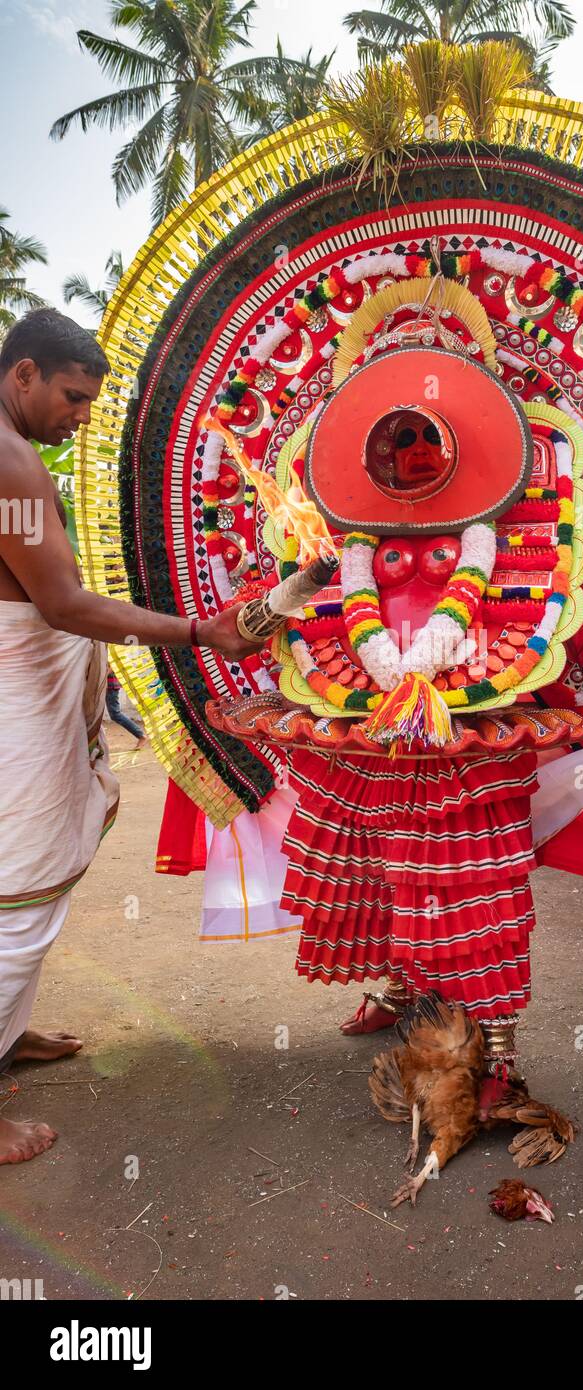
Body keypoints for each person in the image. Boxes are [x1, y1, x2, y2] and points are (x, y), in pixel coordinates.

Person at [0, 308, 259, 1165]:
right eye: (72, 397)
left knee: (24, 889)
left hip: (23, 696)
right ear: (24, 374)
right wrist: (200, 631)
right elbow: (63, 605)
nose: (80, 415)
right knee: (19, 895)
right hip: (15, 707)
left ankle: (10, 1034)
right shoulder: (11, 462)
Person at [105, 668, 146, 748]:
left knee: (115, 714)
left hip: (109, 685)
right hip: (101, 685)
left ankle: (141, 735)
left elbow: (112, 666)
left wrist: (100, 677)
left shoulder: (108, 655)